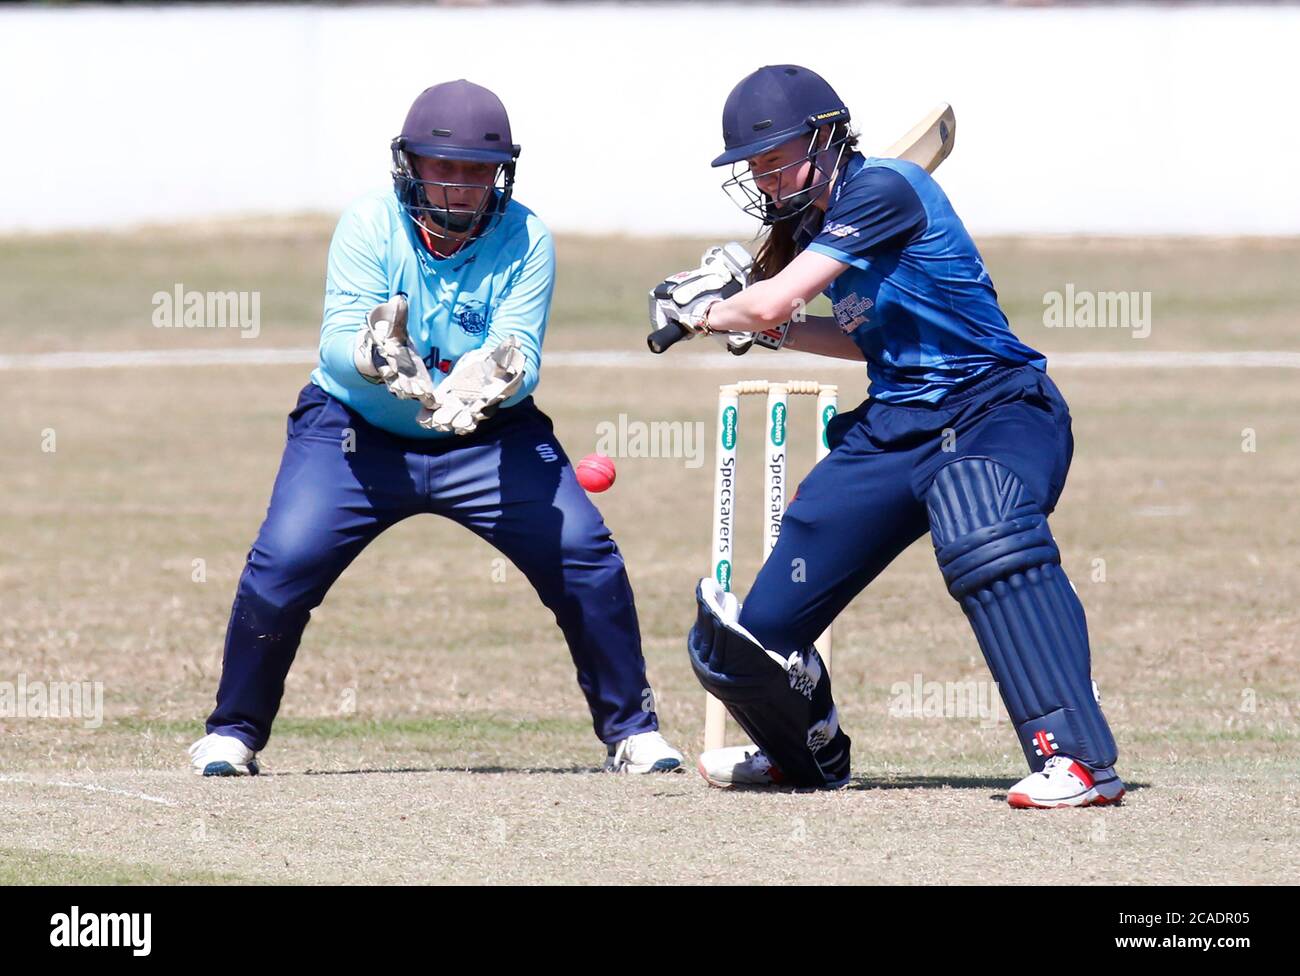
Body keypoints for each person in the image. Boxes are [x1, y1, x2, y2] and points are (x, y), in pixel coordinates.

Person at [653, 65, 1123, 808]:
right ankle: (803, 754)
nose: (767, 180)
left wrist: (716, 309)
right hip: (896, 427)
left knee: (984, 526)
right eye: (755, 167)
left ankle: (1078, 763)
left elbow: (772, 295)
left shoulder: (886, 189)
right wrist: (768, 333)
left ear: (827, 137)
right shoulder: (814, 228)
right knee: (753, 640)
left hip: (995, 409)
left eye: (778, 158)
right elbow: (856, 338)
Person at [189, 80, 682, 777]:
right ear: (410, 165)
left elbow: (522, 351)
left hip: (489, 438)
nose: (457, 187)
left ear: (499, 176)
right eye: (442, 168)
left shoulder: (528, 236)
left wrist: (493, 377)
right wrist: (372, 358)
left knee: (585, 552)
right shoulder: (368, 223)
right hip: (355, 432)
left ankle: (632, 732)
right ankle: (232, 734)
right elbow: (335, 343)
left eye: (476, 172)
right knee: (283, 564)